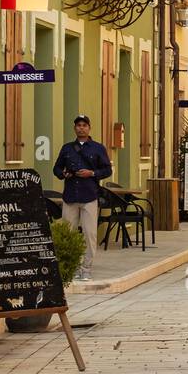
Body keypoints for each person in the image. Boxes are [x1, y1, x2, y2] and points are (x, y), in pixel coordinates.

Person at [53, 115, 112, 280]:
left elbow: (107, 170)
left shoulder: (98, 148)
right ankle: (72, 266)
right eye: (78, 125)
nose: (81, 128)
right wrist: (62, 173)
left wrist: (92, 173)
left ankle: (86, 267)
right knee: (68, 233)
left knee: (89, 233)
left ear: (89, 128)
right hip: (70, 195)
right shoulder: (67, 148)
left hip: (89, 195)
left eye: (84, 125)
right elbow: (56, 168)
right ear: (74, 128)